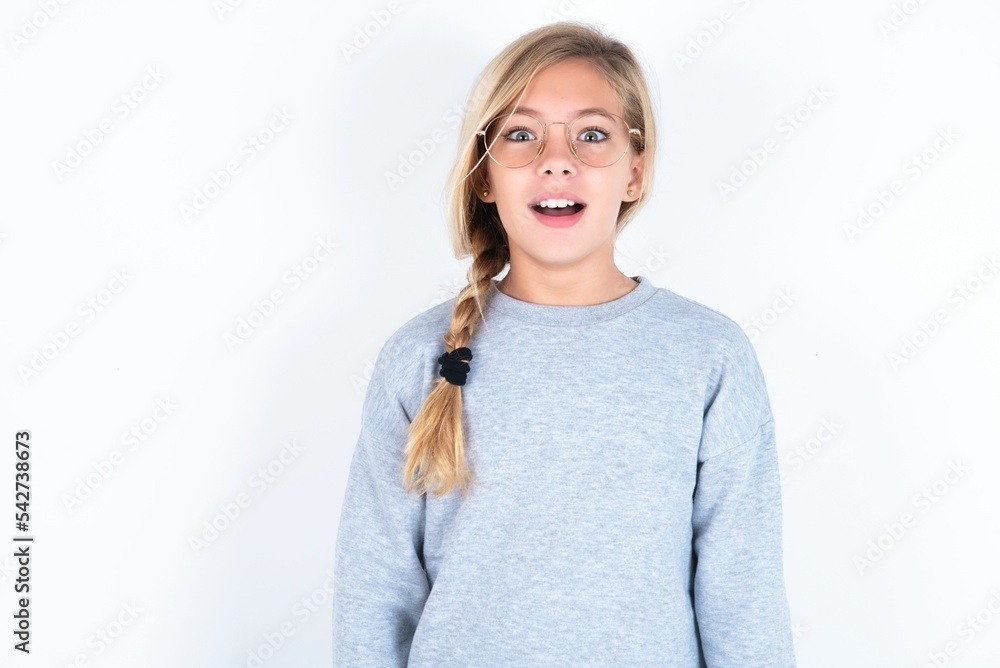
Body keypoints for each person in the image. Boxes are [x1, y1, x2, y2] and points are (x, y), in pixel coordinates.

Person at [333, 20, 796, 667]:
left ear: (636, 170)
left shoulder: (708, 358)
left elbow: (745, 608)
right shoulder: (418, 360)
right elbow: (373, 601)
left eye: (592, 135)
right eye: (521, 134)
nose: (557, 159)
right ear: (484, 173)